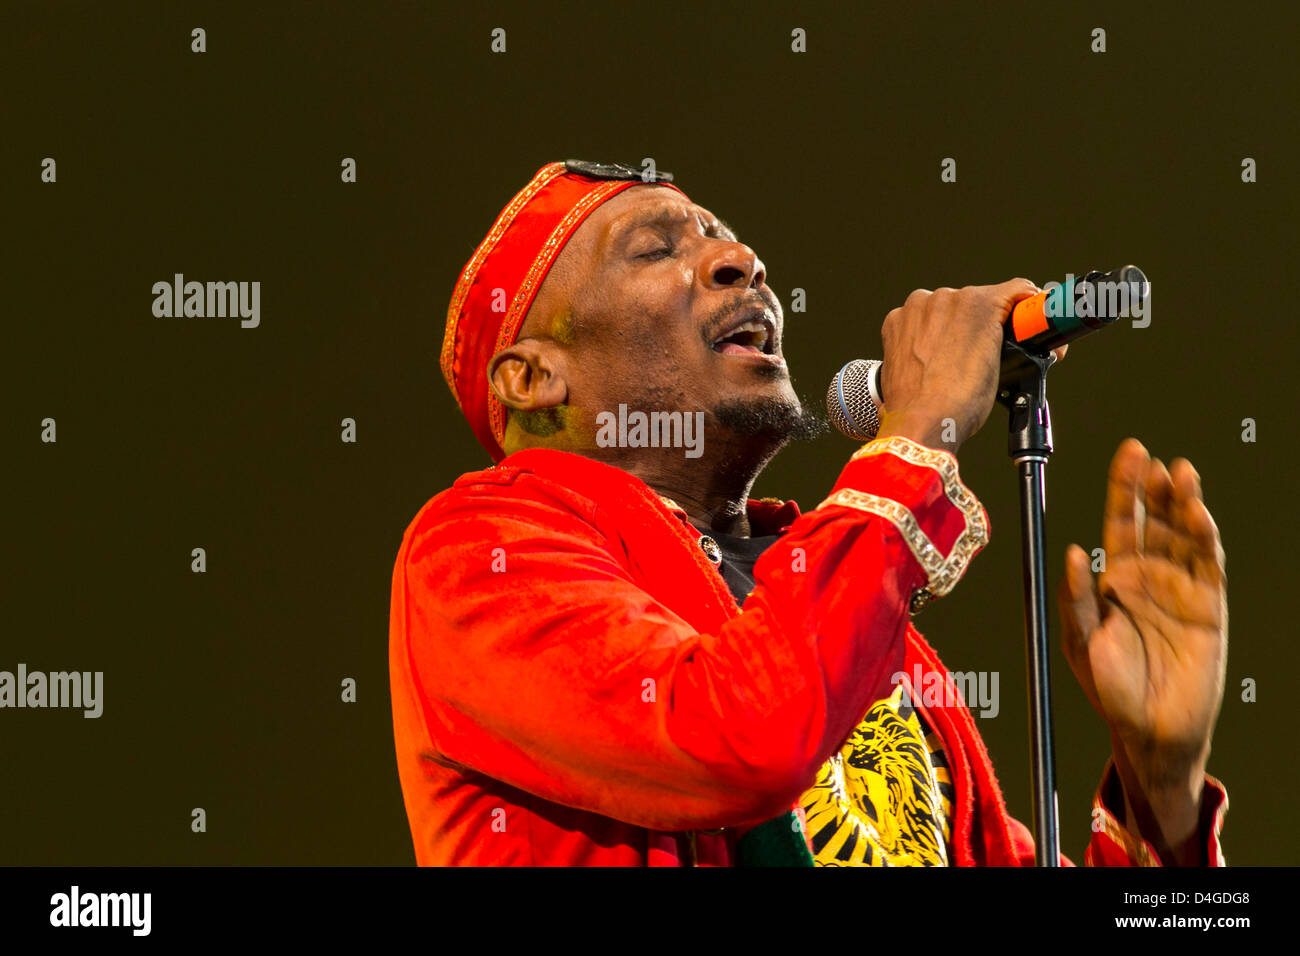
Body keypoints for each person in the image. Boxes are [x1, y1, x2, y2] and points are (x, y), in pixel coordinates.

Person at [388, 160, 1228, 866]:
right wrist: (917, 432)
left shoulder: (824, 592)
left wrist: (1162, 789)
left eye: (725, 238)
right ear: (533, 378)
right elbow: (737, 737)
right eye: (656, 249)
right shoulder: (478, 549)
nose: (741, 260)